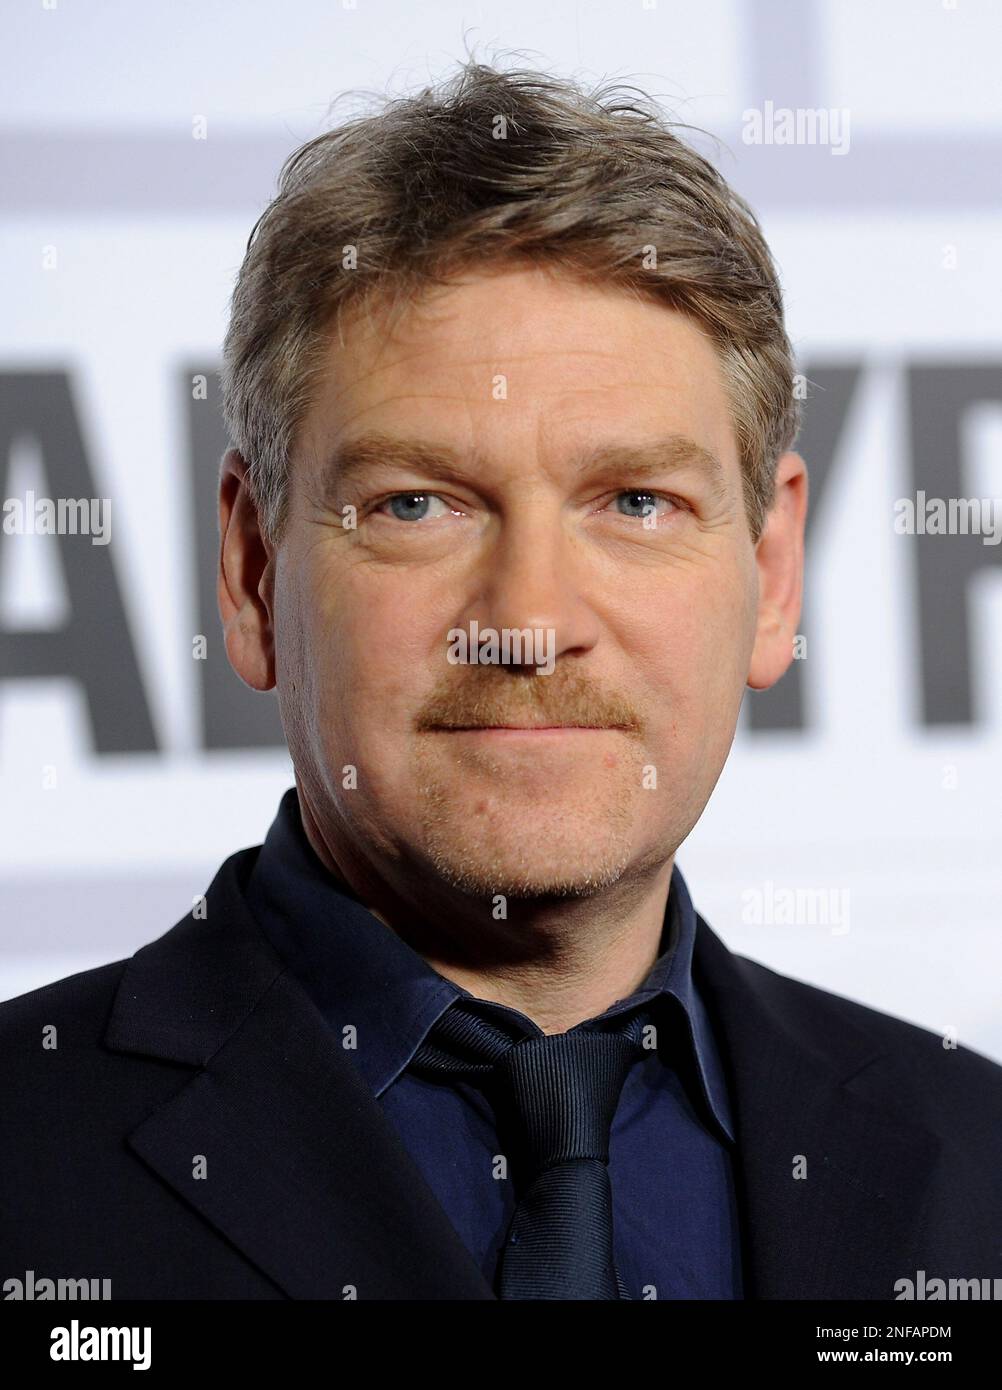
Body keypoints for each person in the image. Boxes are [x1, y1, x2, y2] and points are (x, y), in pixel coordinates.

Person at [2, 62, 1000, 1302]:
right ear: (256, 572)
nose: (527, 623)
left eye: (637, 501)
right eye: (416, 503)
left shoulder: (976, 1161)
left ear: (773, 570)